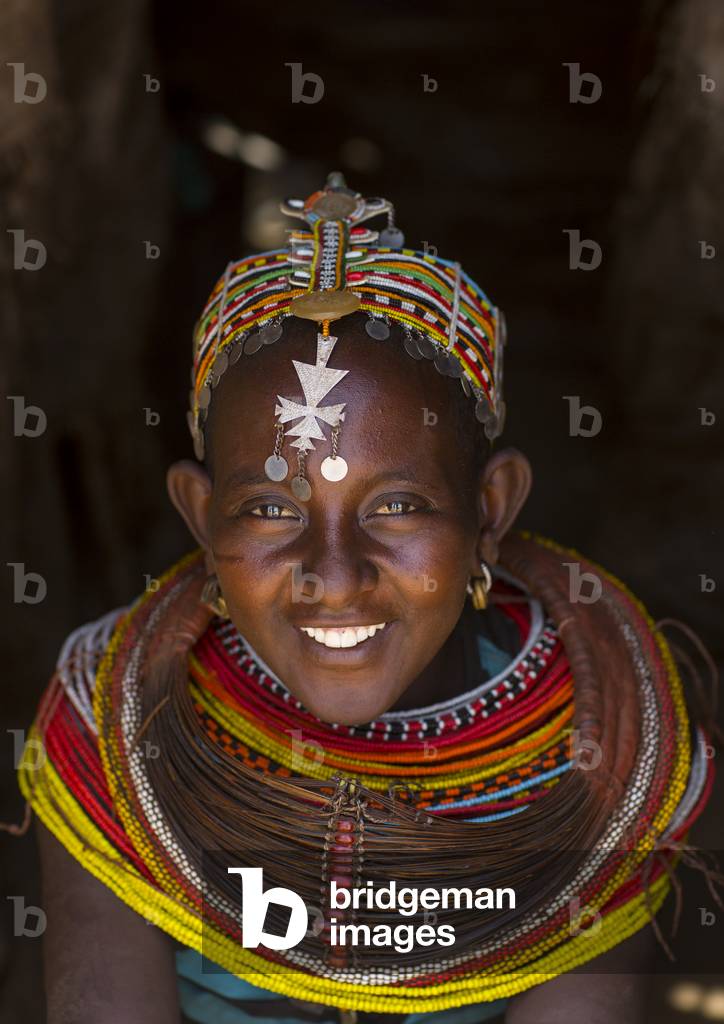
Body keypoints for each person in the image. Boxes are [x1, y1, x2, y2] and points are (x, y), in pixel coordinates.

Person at [16, 174, 714, 1024]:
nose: (336, 575)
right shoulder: (110, 734)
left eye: (397, 506)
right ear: (201, 519)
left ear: (490, 512)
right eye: (271, 509)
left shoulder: (610, 756)